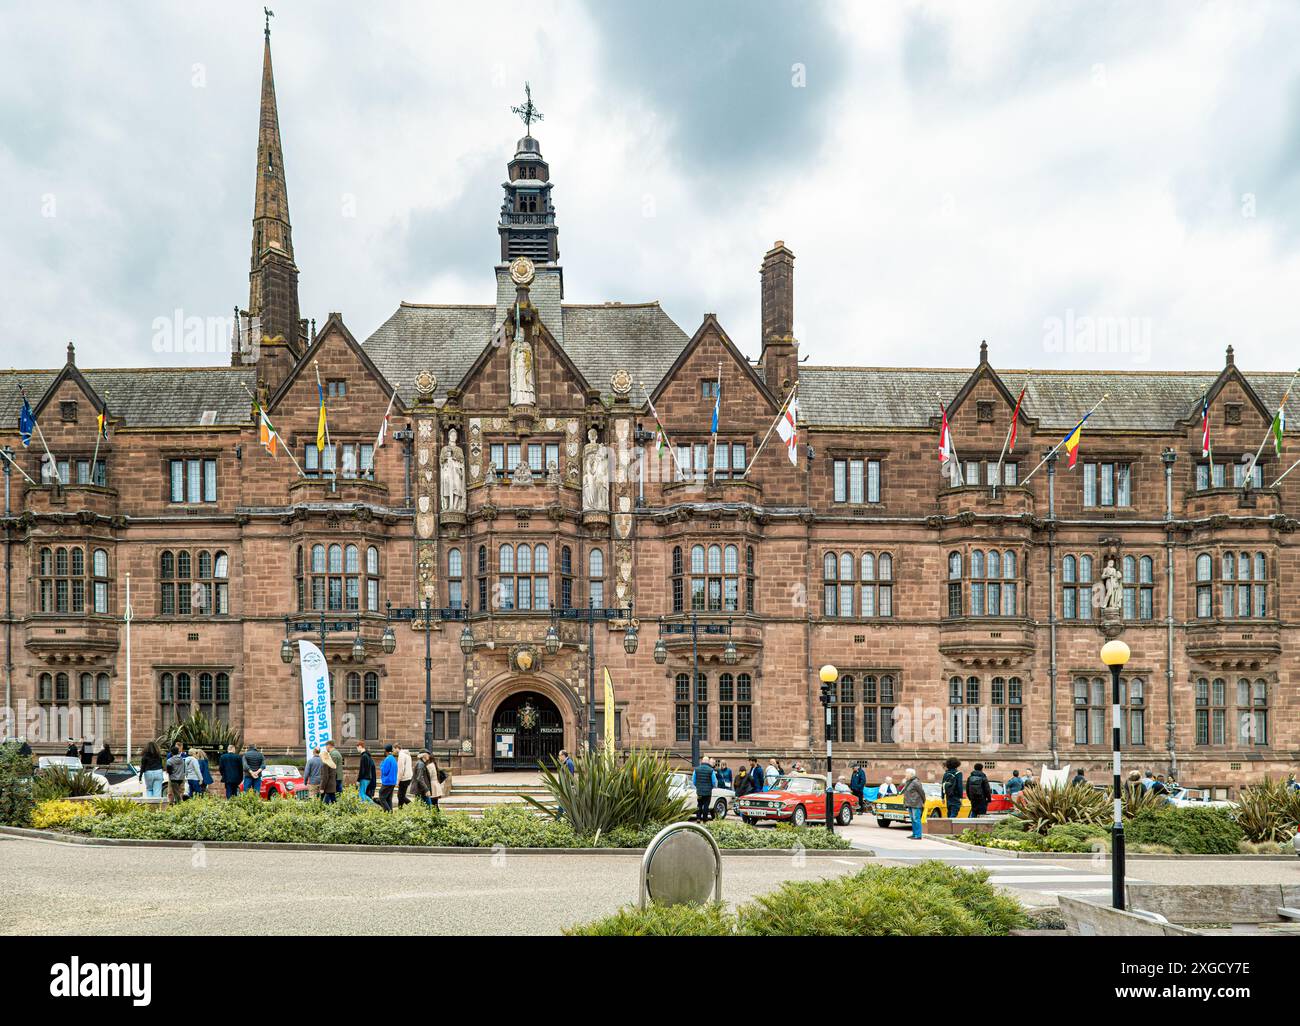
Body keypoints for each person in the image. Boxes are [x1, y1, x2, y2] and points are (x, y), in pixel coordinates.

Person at [902, 768, 926, 840]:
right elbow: (903, 790)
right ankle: (914, 834)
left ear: (911, 774)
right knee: (912, 819)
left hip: (916, 803)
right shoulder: (908, 782)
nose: (905, 774)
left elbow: (922, 792)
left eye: (906, 773)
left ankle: (918, 835)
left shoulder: (916, 782)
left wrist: (923, 801)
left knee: (916, 819)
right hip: (910, 803)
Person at [692, 755, 716, 822]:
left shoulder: (696, 769)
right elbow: (714, 782)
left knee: (699, 804)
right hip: (708, 792)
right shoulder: (711, 770)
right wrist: (711, 787)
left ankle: (698, 818)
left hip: (699, 791)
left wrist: (697, 786)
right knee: (706, 805)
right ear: (708, 762)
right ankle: (705, 819)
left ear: (702, 761)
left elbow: (693, 780)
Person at [378, 744, 398, 811]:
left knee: (381, 797)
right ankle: (390, 814)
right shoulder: (393, 758)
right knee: (388, 799)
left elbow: (385, 771)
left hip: (387, 782)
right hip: (392, 781)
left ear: (386, 751)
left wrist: (381, 766)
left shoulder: (387, 759)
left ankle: (389, 812)